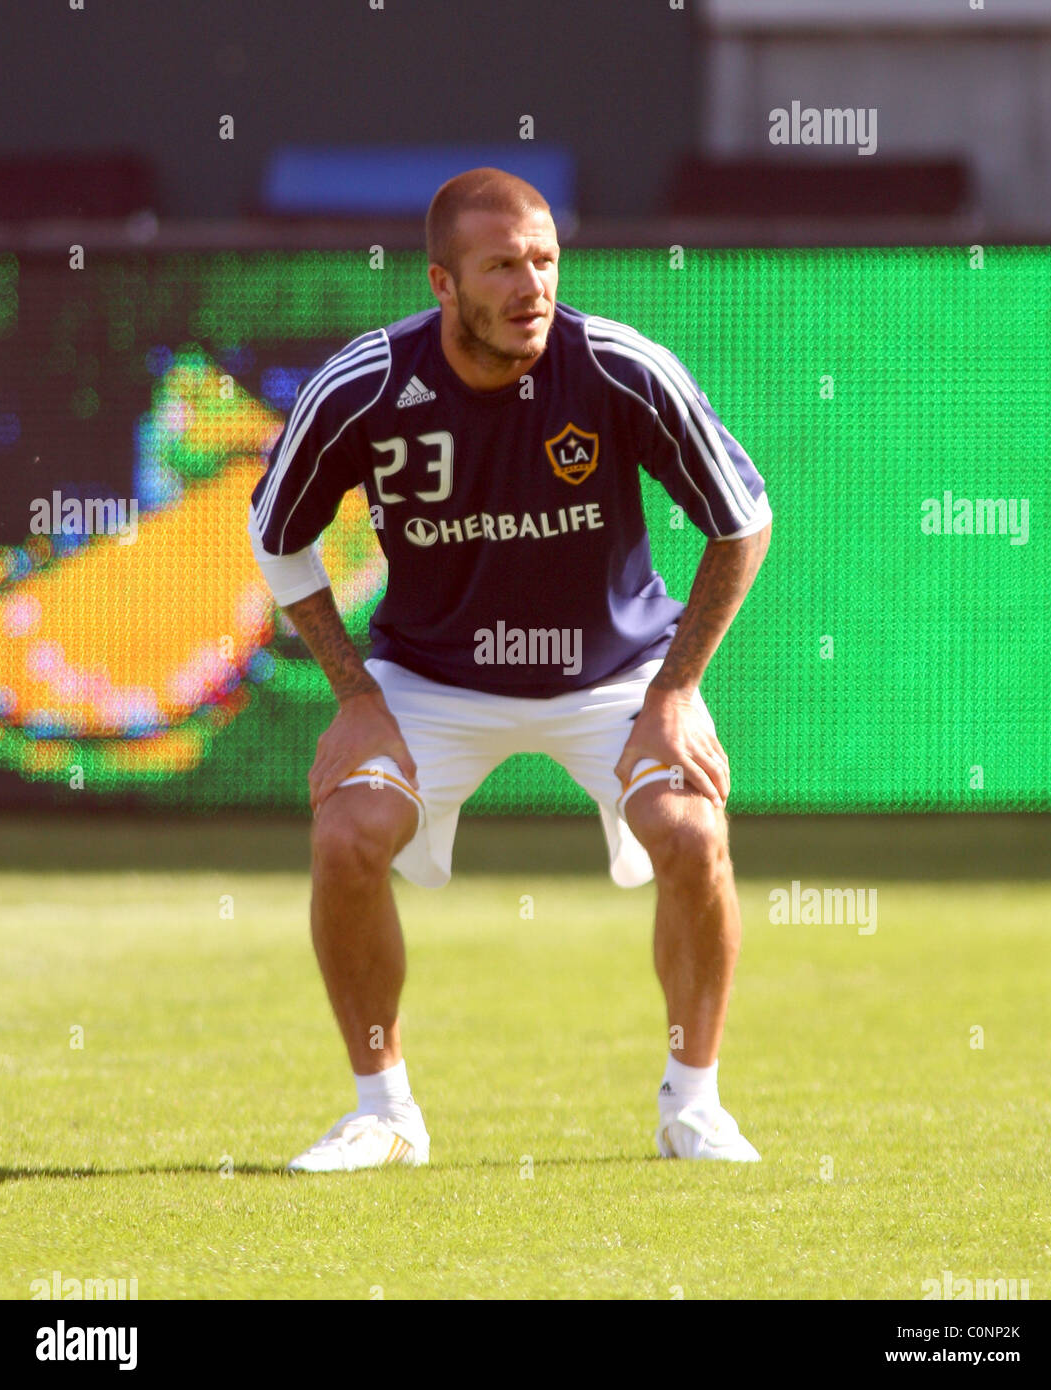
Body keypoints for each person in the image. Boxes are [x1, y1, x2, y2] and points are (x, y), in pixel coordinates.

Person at [248, 167, 772, 1171]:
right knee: (347, 835)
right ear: (443, 283)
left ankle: (692, 1106)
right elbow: (277, 534)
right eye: (501, 266)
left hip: (614, 672)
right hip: (430, 677)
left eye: (544, 261)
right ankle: (383, 1110)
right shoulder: (363, 383)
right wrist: (355, 696)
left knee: (693, 829)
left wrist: (674, 690)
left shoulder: (619, 367)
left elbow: (741, 522)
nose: (531, 286)